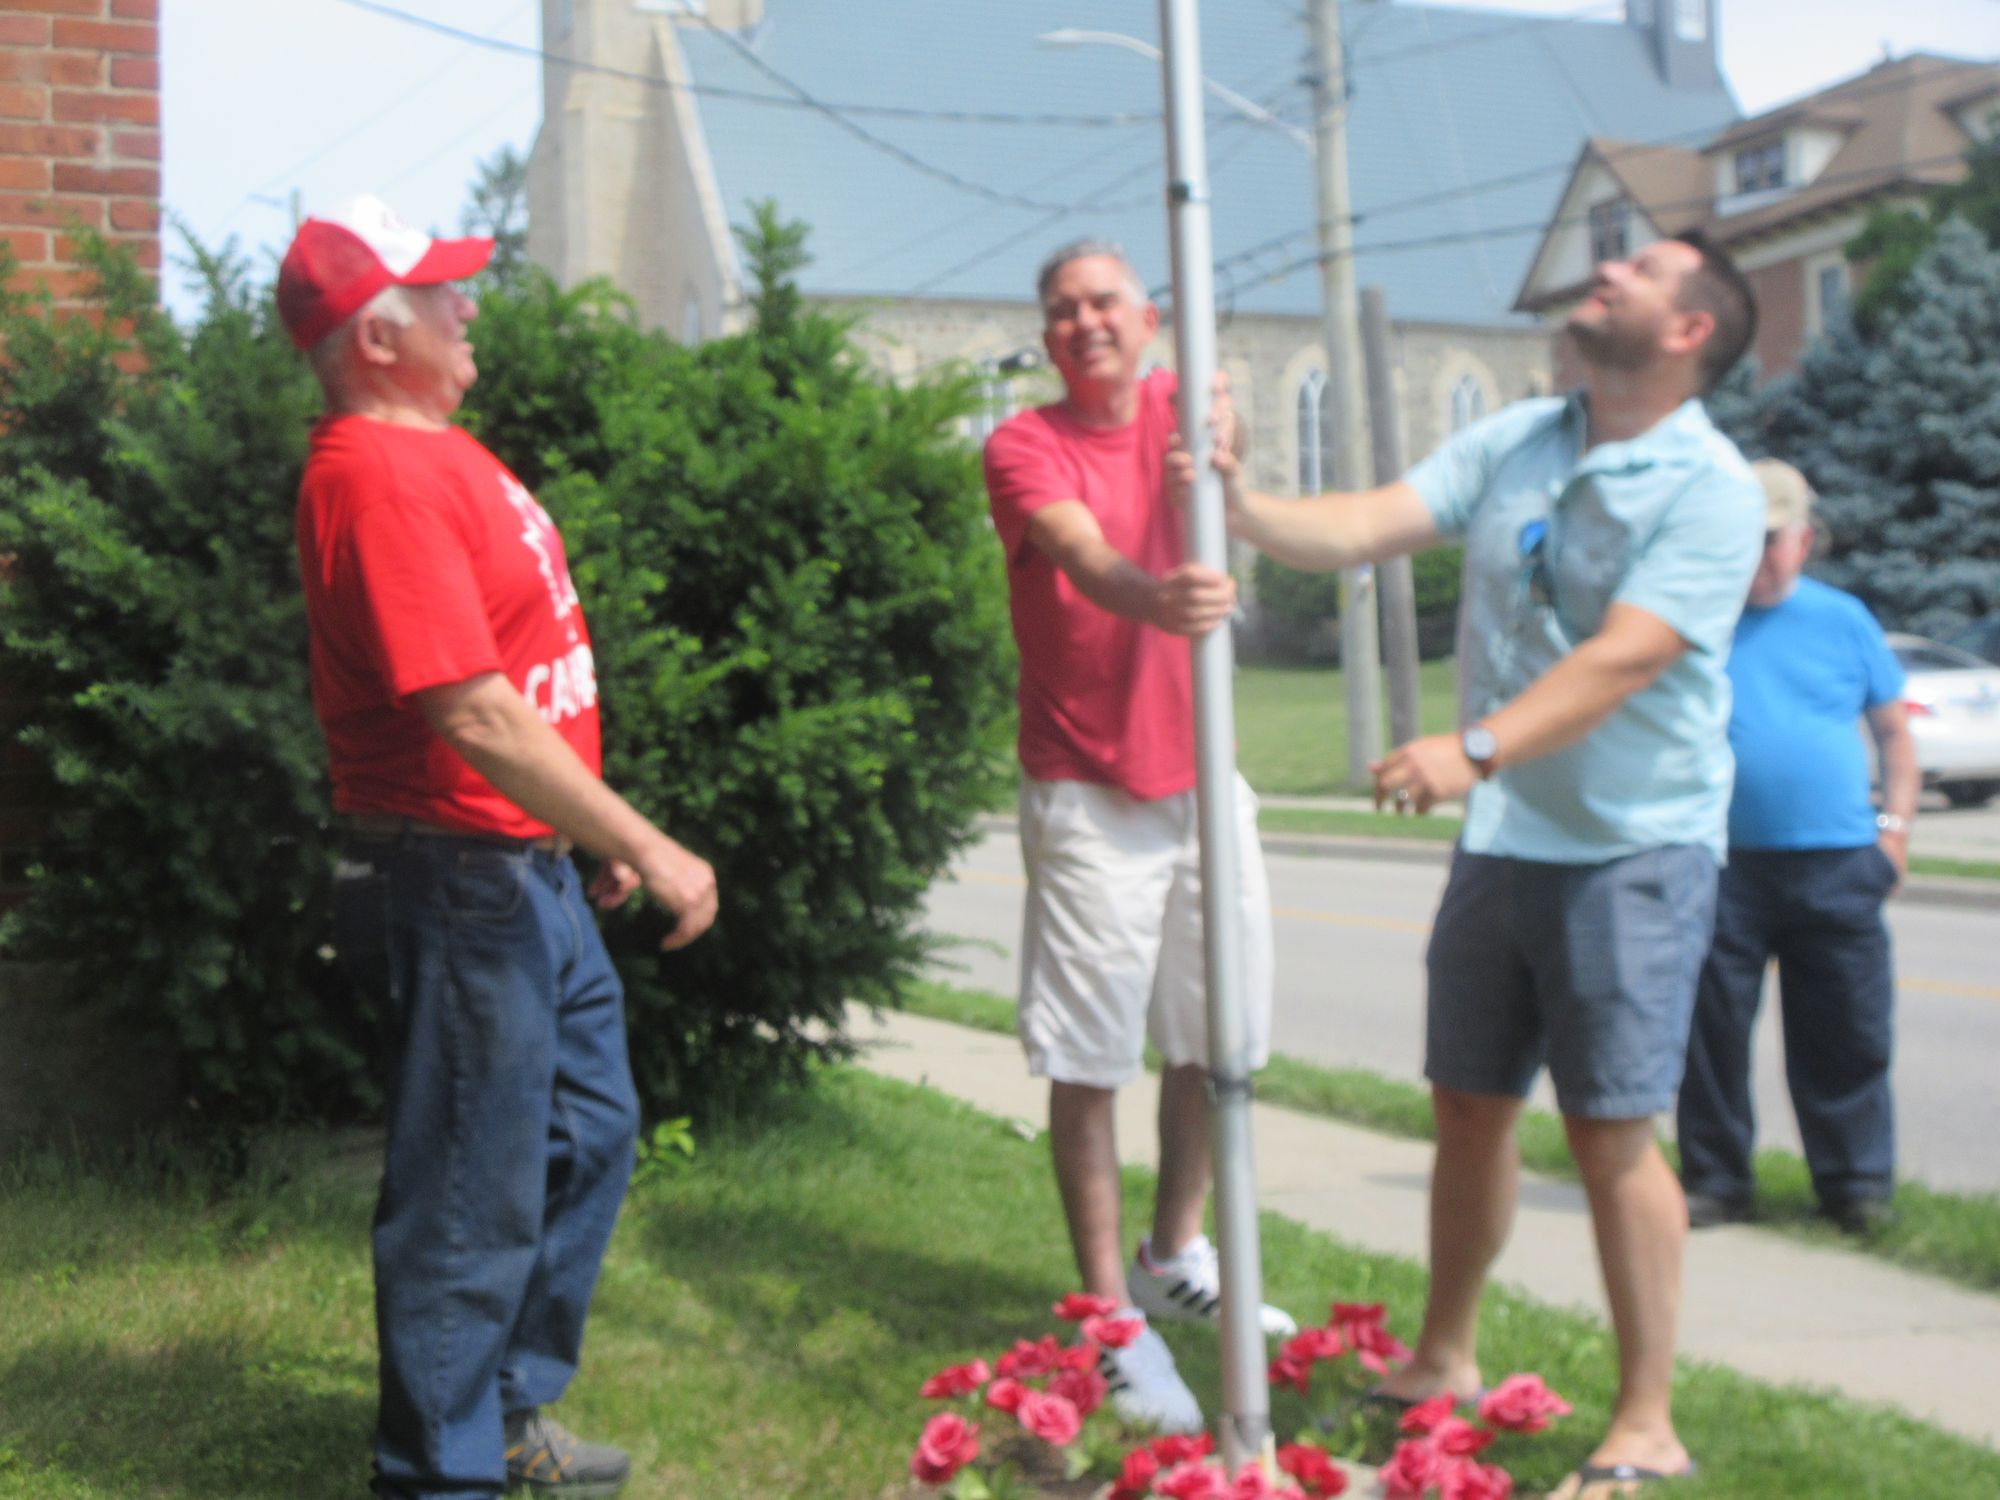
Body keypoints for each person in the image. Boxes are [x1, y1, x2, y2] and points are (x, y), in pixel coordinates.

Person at [1182, 233, 1762, 1496]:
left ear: (1689, 333)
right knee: (1466, 1106)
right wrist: (1236, 499)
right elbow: (1363, 522)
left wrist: (1475, 747)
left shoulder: (1710, 486)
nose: (1605, 269)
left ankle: (1645, 1423)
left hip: (1632, 847)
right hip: (1507, 838)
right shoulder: (1525, 437)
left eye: (1644, 268)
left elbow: (1626, 654)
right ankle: (1442, 1355)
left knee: (1610, 1129)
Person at [282, 194, 718, 1500]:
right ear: (375, 336)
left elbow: (519, 682)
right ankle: (440, 1475)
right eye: (444, 291)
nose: (471, 306)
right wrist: (656, 839)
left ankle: (506, 1413)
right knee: (470, 1199)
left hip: (527, 870)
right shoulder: (376, 474)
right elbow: (465, 708)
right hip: (459, 881)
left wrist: (585, 826)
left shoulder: (443, 454)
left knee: (587, 1134)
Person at [982, 239, 1293, 1434]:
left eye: (1101, 302)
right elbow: (1075, 552)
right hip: (1088, 791)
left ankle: (1173, 1258)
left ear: (1149, 317)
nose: (1082, 322)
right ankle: (1108, 1320)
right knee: (1089, 1056)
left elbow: (1229, 457)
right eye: (1060, 309)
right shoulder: (1022, 443)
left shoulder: (1183, 395)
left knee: (1215, 1036)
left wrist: (1224, 444)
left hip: (1203, 778)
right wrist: (1152, 594)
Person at [1677, 460, 1917, 1236]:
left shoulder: (1843, 619)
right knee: (1711, 1034)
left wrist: (1895, 834)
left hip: (1839, 863)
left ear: (1804, 539)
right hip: (1725, 867)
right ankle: (1716, 1180)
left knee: (1845, 1031)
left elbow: (1894, 735)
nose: (1759, 553)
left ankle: (1854, 1185)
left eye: (1773, 538)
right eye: (1745, 537)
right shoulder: (1697, 623)